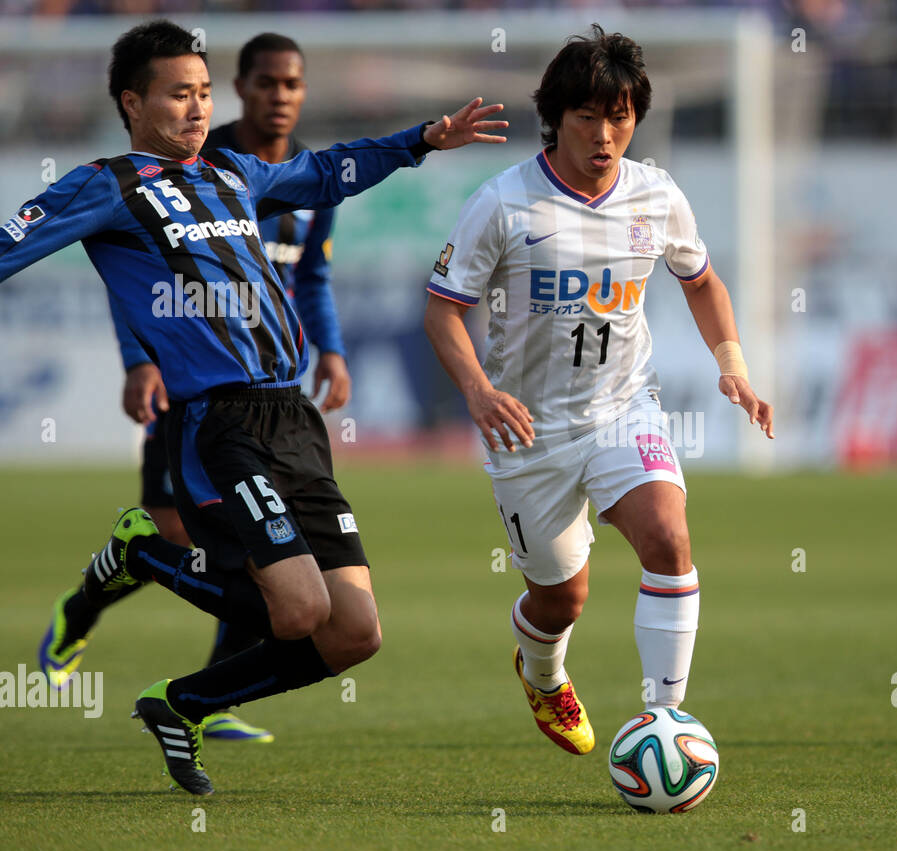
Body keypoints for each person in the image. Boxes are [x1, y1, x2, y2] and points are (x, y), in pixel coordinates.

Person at [1, 19, 506, 794]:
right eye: (179, 95)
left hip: (294, 419)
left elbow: (330, 170)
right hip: (220, 426)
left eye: (204, 93)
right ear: (133, 103)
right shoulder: (104, 186)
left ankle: (183, 702)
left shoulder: (234, 173)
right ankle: (141, 552)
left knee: (356, 634)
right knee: (297, 610)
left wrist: (423, 140)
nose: (197, 108)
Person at [423, 24, 773, 756]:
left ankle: (665, 723)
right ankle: (543, 672)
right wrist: (481, 393)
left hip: (621, 410)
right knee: (562, 598)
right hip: (529, 432)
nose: (605, 133)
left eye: (620, 116)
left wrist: (732, 365)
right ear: (557, 119)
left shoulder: (656, 197)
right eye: (588, 116)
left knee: (669, 540)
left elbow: (702, 281)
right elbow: (442, 311)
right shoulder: (503, 204)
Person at [39, 32, 351, 746]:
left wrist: (328, 347)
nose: (281, 96)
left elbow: (312, 279)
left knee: (270, 563)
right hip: (196, 387)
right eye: (267, 83)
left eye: (294, 85)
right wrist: (137, 358)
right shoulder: (194, 164)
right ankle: (94, 604)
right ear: (244, 86)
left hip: (275, 397)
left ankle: (211, 691)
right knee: (183, 530)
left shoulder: (298, 182)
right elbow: (137, 273)